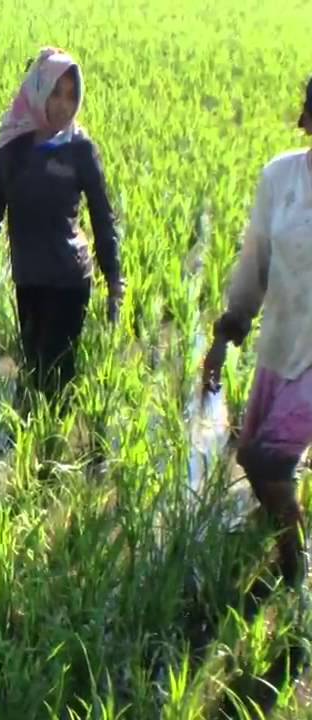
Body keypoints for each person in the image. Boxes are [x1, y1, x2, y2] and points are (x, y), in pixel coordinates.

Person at [0, 47, 124, 400]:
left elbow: (101, 215)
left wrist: (114, 279)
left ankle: (54, 447)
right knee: (33, 369)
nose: (65, 104)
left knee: (59, 377)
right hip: (28, 277)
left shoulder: (80, 149)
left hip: (69, 277)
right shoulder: (10, 148)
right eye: (56, 92)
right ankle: (33, 447)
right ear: (38, 91)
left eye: (71, 95)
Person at [202, 77, 312, 598]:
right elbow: (256, 262)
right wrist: (229, 331)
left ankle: (294, 569)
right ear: (306, 119)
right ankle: (281, 525)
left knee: (269, 462)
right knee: (250, 455)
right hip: (281, 348)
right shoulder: (281, 177)